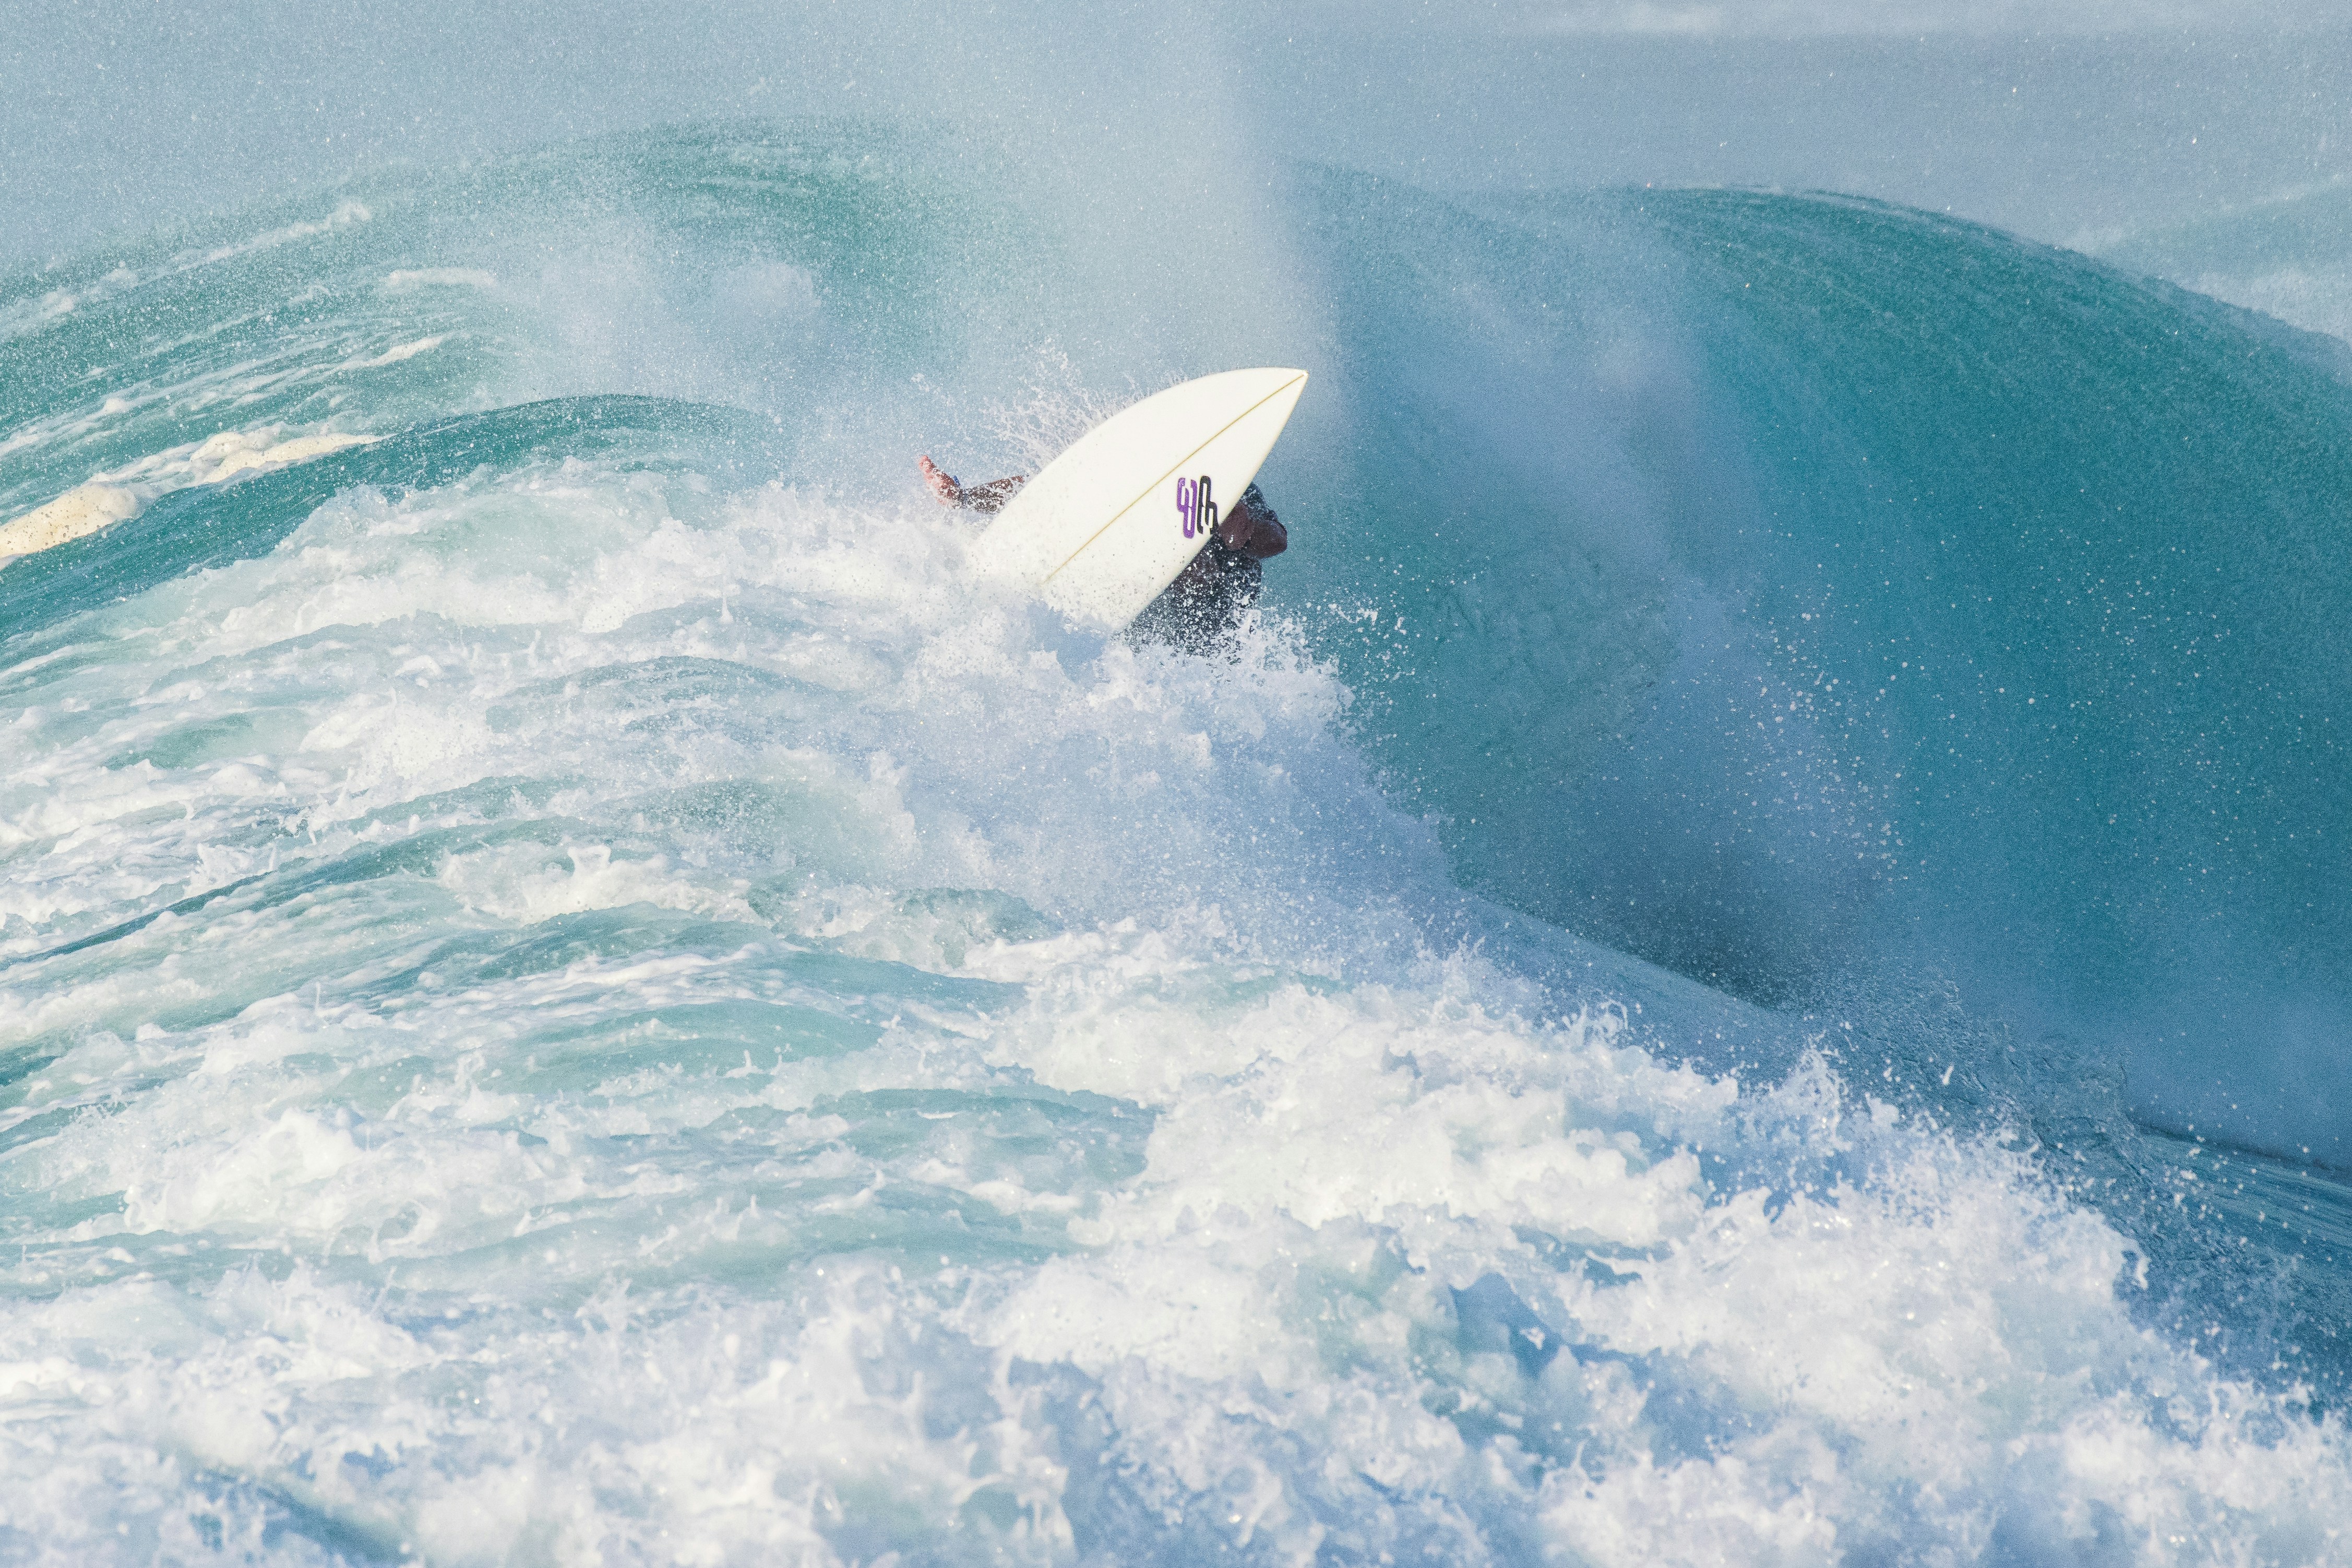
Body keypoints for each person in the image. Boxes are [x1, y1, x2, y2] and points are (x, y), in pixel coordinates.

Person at [918, 454, 1286, 652]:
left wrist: (1243, 527)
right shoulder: (1140, 479)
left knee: (1199, 563)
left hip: (1210, 623)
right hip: (1141, 615)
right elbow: (1042, 491)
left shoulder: (1231, 484)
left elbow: (1277, 540)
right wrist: (964, 498)